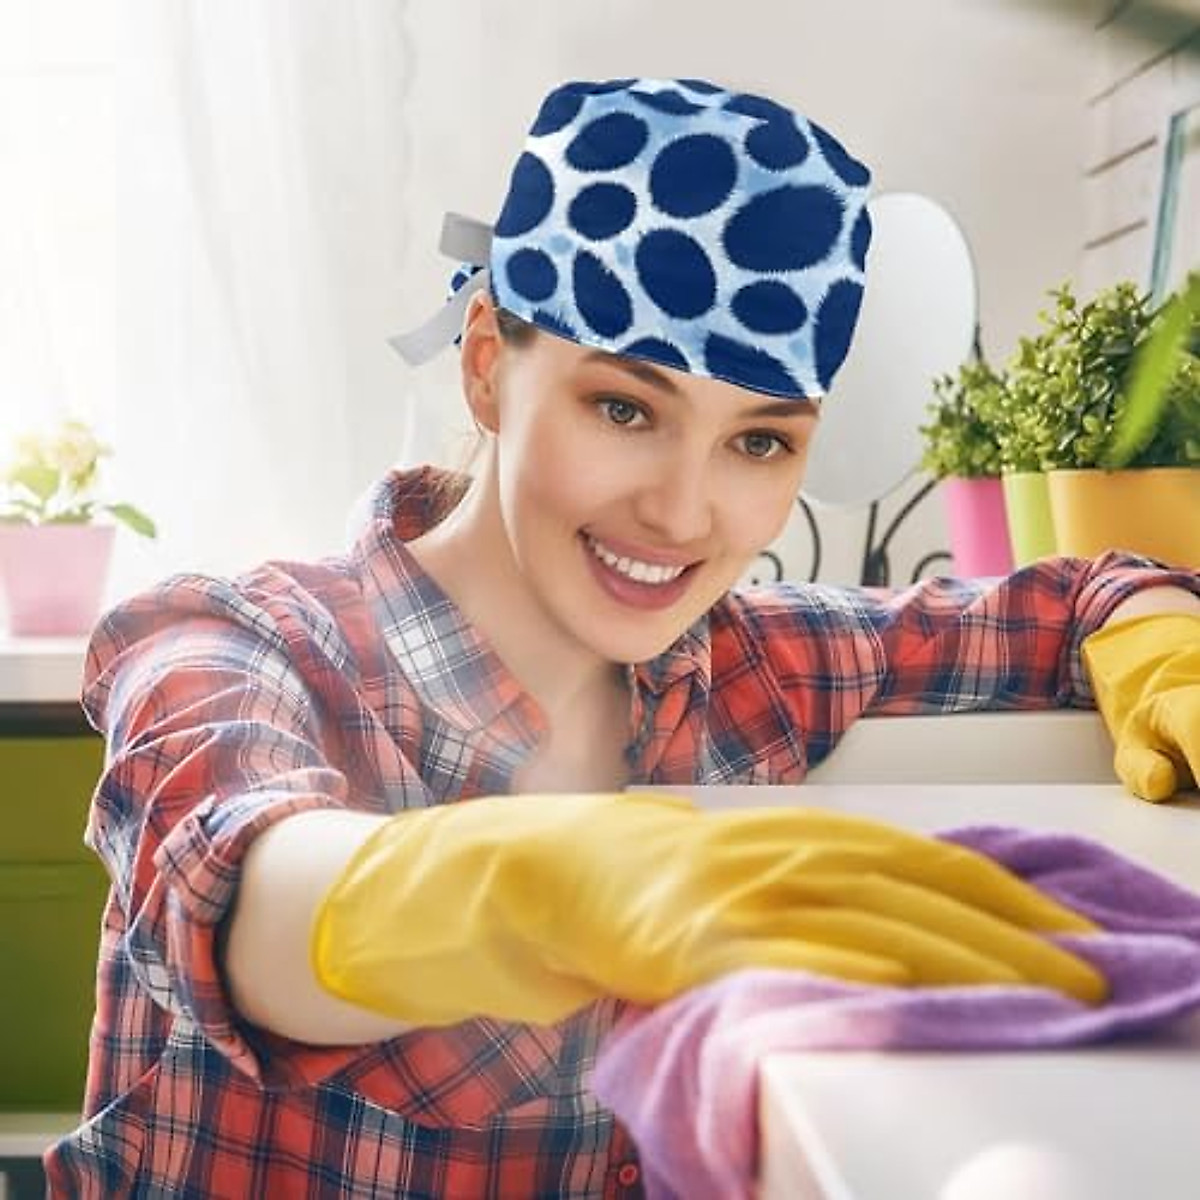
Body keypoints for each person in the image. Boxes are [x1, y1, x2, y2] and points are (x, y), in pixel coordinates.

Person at [48, 77, 1199, 1198]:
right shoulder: (239, 644)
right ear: (490, 363)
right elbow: (242, 891)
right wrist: (534, 887)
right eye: (624, 409)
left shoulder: (757, 673)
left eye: (759, 443)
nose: (684, 514)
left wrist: (1166, 652)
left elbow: (1084, 593)